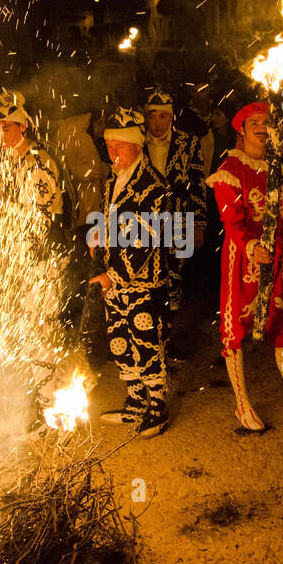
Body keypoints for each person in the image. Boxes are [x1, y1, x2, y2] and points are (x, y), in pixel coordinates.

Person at [207, 102, 283, 430]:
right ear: (241, 131)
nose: (261, 127)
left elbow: (280, 218)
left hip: (276, 259)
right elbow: (231, 221)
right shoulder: (230, 168)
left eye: (266, 122)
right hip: (242, 260)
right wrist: (251, 247)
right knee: (236, 333)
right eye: (254, 123)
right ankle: (242, 406)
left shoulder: (275, 167)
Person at [90, 108, 171, 438]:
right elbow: (111, 220)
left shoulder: (154, 186)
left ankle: (158, 407)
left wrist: (114, 276)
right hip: (115, 279)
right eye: (108, 146)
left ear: (137, 146)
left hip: (143, 282)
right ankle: (136, 401)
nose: (112, 153)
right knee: (120, 340)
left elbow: (146, 240)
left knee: (146, 341)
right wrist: (98, 233)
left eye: (119, 146)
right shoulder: (113, 180)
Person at [142, 88, 206, 324]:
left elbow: (198, 184)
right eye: (152, 116)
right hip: (144, 220)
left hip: (179, 218)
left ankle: (168, 334)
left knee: (174, 278)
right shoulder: (137, 142)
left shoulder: (188, 143)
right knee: (146, 277)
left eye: (163, 116)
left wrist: (198, 224)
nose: (157, 123)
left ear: (171, 117)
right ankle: (147, 332)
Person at [0, 88, 66, 239]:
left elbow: (39, 226)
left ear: (22, 126)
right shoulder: (6, 158)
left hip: (42, 249)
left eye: (6, 129)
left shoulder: (38, 166)